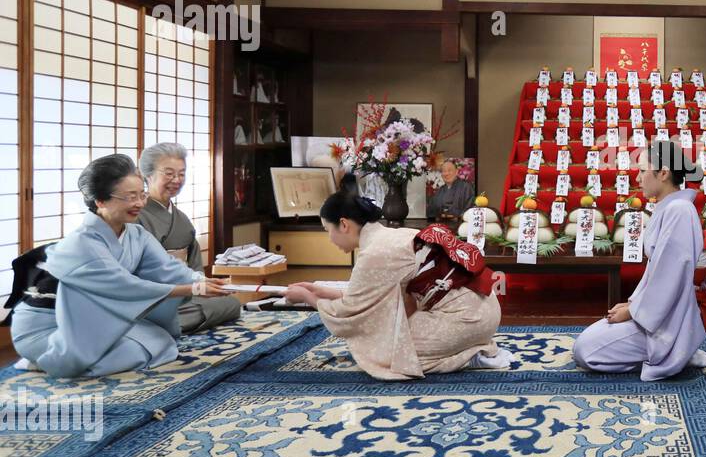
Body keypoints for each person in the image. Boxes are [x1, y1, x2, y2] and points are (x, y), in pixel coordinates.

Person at [8, 154, 229, 378]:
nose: (140, 204)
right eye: (129, 197)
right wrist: (192, 290)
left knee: (161, 342)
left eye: (142, 195)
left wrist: (199, 280)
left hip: (95, 319)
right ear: (100, 201)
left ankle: (82, 358)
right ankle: (48, 360)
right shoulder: (82, 243)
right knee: (134, 351)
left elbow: (168, 268)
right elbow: (126, 287)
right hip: (51, 325)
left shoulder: (136, 234)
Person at [283, 174, 511, 380]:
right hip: (485, 310)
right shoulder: (391, 236)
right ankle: (471, 346)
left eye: (327, 230)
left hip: (465, 319)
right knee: (388, 333)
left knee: (389, 351)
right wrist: (323, 292)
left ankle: (468, 356)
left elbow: (349, 313)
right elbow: (373, 299)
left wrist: (307, 297)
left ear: (343, 225)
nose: (330, 239)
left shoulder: (375, 253)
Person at [572, 140, 706, 380]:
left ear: (664, 173)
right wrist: (631, 305)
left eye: (642, 170)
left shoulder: (679, 210)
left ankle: (678, 350)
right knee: (589, 339)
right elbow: (658, 272)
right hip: (655, 312)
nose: (637, 178)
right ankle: (680, 349)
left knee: (585, 350)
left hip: (666, 321)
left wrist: (634, 312)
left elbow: (670, 278)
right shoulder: (670, 208)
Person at [137, 142, 242, 333]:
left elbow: (194, 265)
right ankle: (159, 324)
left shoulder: (181, 218)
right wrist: (189, 287)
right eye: (169, 173)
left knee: (231, 303)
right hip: (158, 295)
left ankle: (163, 325)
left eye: (181, 174)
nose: (176, 180)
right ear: (148, 175)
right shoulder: (137, 216)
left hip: (186, 294)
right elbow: (147, 269)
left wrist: (204, 284)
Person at [426, 160, 475, 225]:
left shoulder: (466, 187)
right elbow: (431, 211)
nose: (446, 174)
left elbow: (470, 210)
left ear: (456, 172)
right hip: (440, 225)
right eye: (444, 171)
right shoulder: (439, 191)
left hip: (460, 226)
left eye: (449, 170)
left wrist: (456, 215)